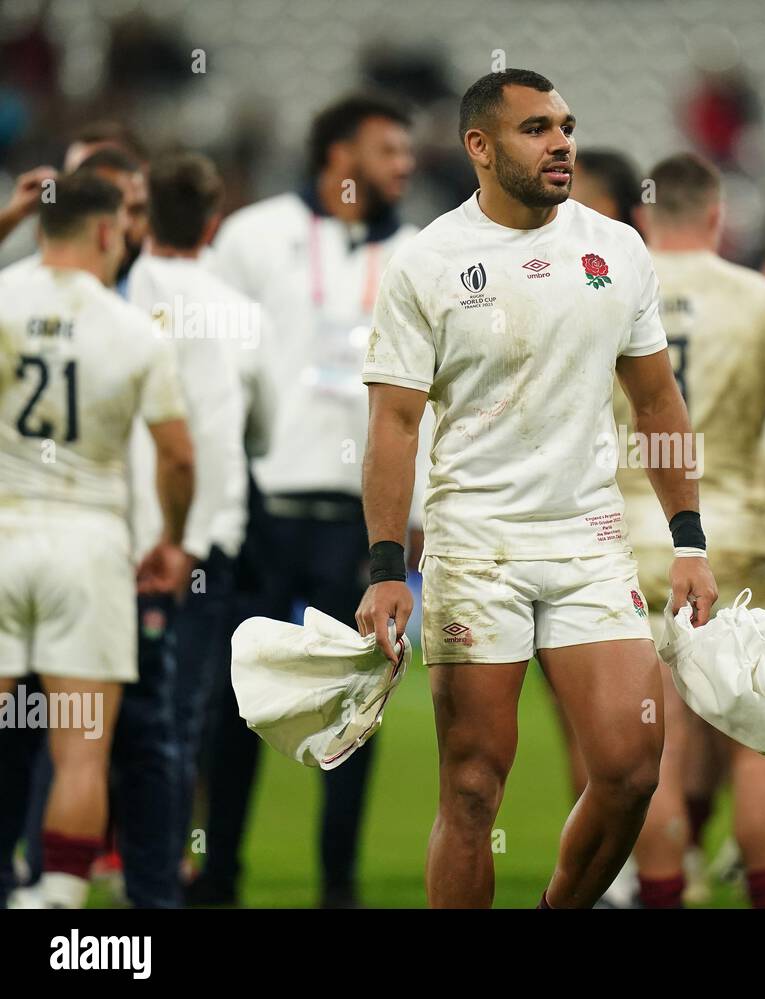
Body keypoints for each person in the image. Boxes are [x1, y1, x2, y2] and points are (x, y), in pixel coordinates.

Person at [354, 67, 718, 908]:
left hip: (588, 540)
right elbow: (395, 424)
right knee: (475, 787)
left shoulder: (617, 248)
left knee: (630, 768)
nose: (561, 143)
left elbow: (658, 398)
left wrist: (688, 538)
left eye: (565, 125)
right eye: (535, 129)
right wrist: (382, 566)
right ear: (480, 147)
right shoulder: (429, 263)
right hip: (476, 545)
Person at [195, 92, 418, 908]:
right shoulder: (254, 236)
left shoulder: (420, 252)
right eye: (388, 151)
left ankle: (337, 885)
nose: (404, 165)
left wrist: (413, 515)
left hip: (365, 525)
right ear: (338, 157)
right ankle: (217, 875)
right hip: (267, 505)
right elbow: (212, 370)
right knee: (230, 703)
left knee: (356, 710)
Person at [618, 152, 765, 908]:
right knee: (756, 741)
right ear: (716, 215)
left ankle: (662, 895)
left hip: (630, 542)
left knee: (662, 749)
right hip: (733, 538)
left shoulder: (612, 291)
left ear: (645, 217)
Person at [0, 172, 194, 908]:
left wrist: (14, 213)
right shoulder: (133, 329)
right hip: (87, 545)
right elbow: (177, 456)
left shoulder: (5, 299)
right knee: (81, 748)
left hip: (3, 527)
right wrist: (173, 539)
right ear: (110, 233)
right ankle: (53, 898)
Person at [125, 152, 272, 901]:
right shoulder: (242, 313)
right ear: (214, 222)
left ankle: (67, 864)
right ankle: (165, 870)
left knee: (79, 706)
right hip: (202, 541)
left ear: (142, 214)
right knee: (182, 717)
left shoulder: (121, 294)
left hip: (120, 532)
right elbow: (255, 432)